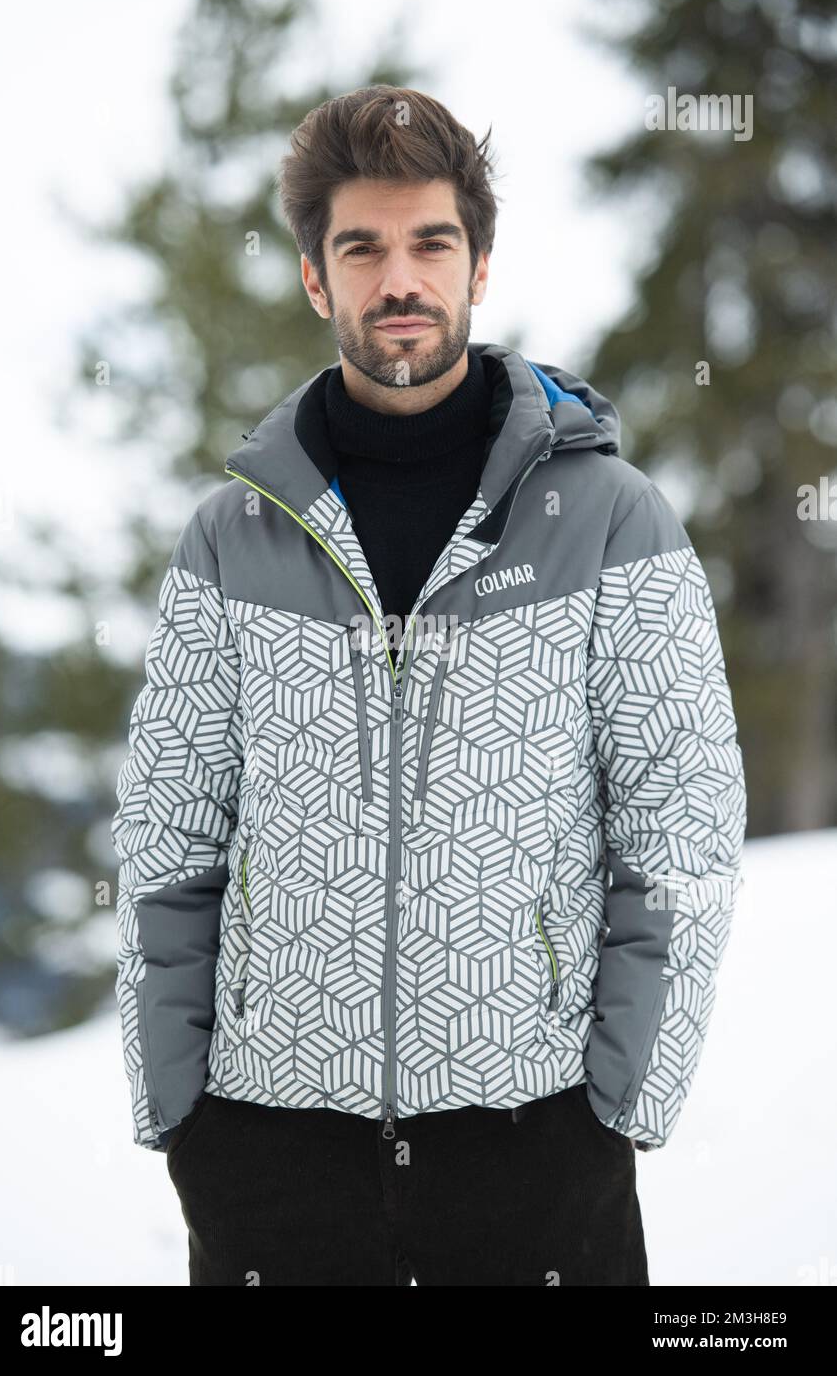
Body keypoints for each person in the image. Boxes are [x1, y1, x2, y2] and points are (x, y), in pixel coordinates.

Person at [111, 85, 747, 1286]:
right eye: (362, 248)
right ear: (315, 278)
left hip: (538, 1149)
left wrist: (615, 1106)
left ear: (479, 264)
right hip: (270, 1157)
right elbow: (168, 834)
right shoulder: (230, 537)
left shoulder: (610, 521)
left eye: (429, 243)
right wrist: (182, 1118)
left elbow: (683, 824)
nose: (398, 279)